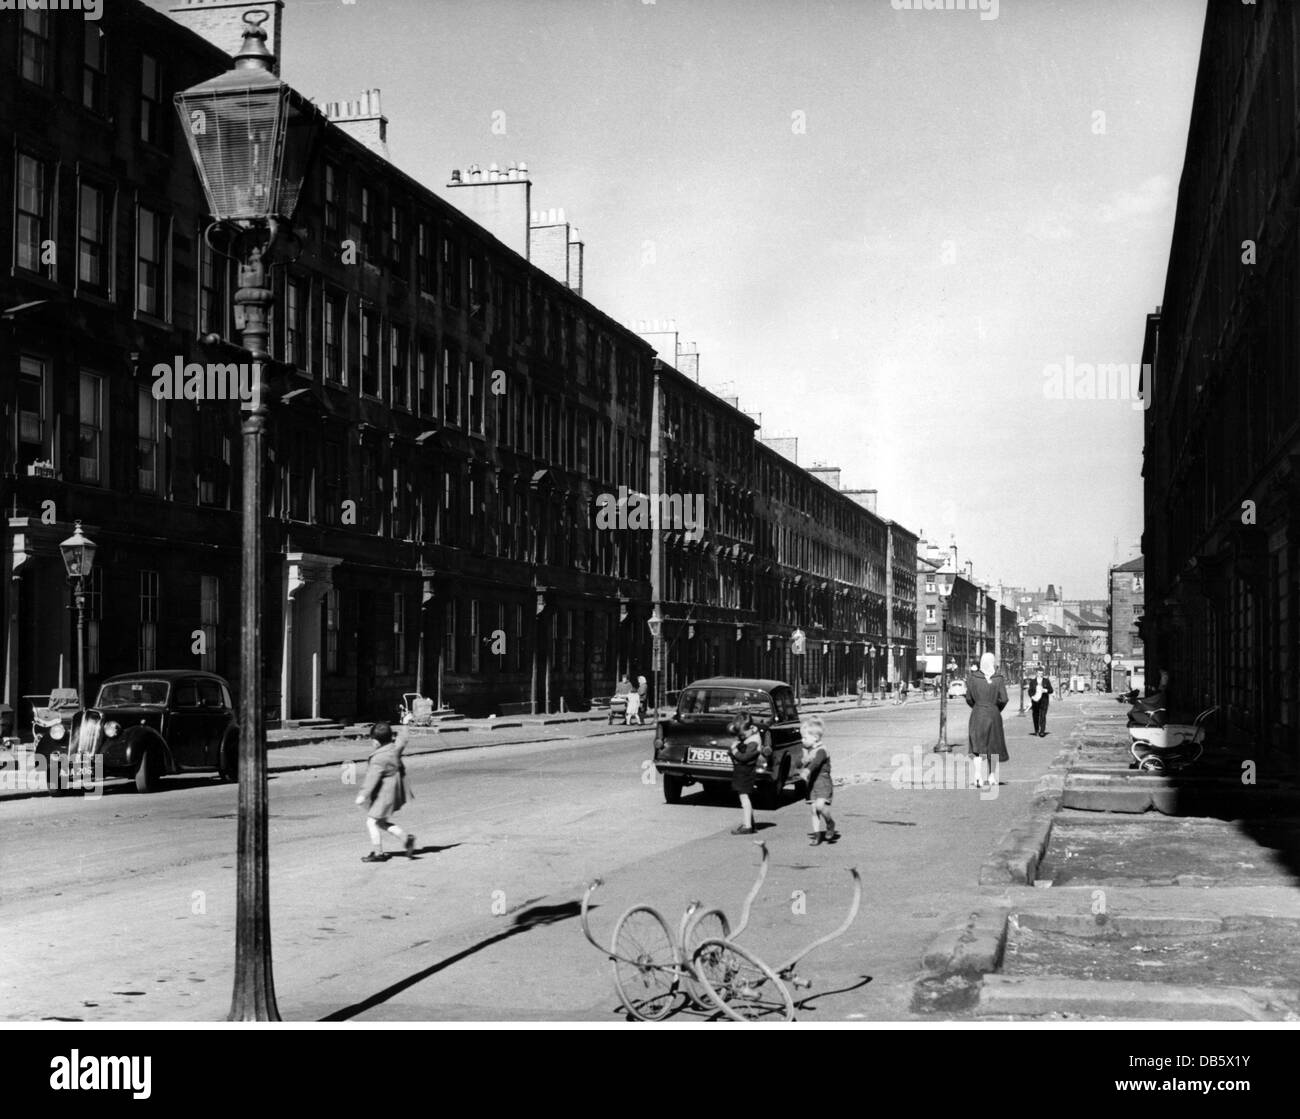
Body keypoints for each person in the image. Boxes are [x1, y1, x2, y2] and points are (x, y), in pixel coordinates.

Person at [355, 722, 415, 862]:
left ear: (376, 741)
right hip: (393, 793)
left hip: (384, 795)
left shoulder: (378, 758)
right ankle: (406, 839)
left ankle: (378, 853)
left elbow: (371, 779)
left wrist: (362, 795)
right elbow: (403, 739)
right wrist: (405, 724)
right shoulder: (394, 748)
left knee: (371, 822)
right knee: (380, 823)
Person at [966, 652, 1009, 789]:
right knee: (994, 746)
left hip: (978, 713)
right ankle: (991, 776)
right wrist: (995, 709)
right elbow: (1004, 699)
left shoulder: (973, 678)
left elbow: (968, 698)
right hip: (994, 714)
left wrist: (978, 706)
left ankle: (978, 775)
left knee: (977, 746)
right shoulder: (999, 679)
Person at [799, 714, 837, 844]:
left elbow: (816, 762)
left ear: (815, 738)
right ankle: (816, 835)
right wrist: (803, 760)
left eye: (804, 737)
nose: (802, 740)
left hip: (823, 782)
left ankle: (830, 823)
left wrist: (807, 770)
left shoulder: (822, 750)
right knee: (813, 809)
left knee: (820, 806)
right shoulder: (809, 749)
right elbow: (803, 762)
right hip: (812, 784)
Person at [727, 713, 762, 835]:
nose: (741, 736)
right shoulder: (750, 735)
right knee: (745, 797)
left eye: (742, 733)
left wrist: (734, 750)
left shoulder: (753, 742)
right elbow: (732, 729)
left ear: (750, 728)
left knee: (744, 797)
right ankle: (750, 823)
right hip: (742, 770)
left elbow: (744, 757)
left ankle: (747, 826)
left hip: (746, 771)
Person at [1028, 668, 1053, 736]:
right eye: (1039, 673)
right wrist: (1032, 696)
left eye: (1041, 673)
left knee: (1043, 715)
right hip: (1035, 701)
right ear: (1036, 673)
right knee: (1035, 716)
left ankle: (1042, 731)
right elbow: (1030, 691)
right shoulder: (1032, 682)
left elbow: (1051, 690)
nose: (1040, 675)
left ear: (1043, 674)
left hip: (1044, 701)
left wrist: (1045, 690)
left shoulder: (1046, 681)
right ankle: (1036, 730)